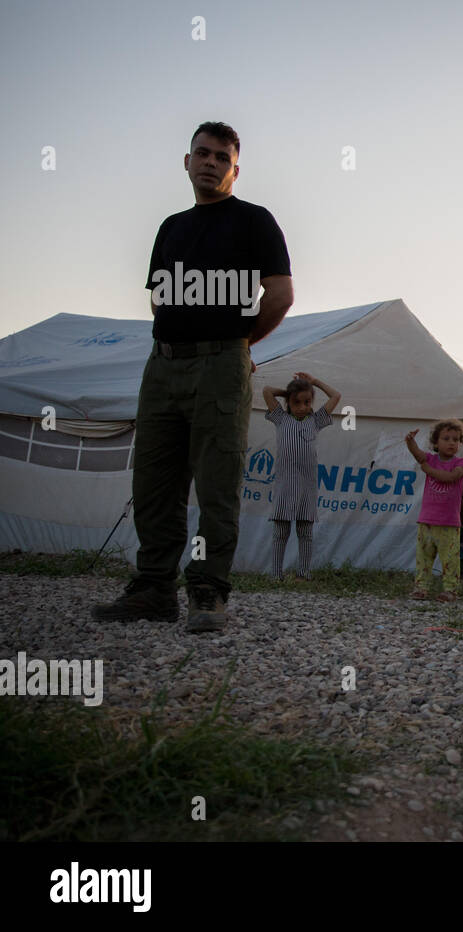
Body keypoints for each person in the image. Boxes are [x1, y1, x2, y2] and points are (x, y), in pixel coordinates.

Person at [93, 121, 292, 633]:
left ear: (235, 169)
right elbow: (160, 295)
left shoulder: (254, 221)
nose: (210, 163)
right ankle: (153, 589)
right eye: (202, 154)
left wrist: (240, 345)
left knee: (217, 482)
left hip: (221, 361)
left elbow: (280, 294)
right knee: (155, 480)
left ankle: (207, 592)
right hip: (162, 363)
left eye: (221, 157)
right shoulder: (171, 227)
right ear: (186, 161)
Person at [262, 372, 341, 581]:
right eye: (297, 402)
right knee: (280, 533)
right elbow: (266, 391)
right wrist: (288, 392)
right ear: (289, 402)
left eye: (307, 402)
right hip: (285, 486)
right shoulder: (281, 418)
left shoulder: (315, 421)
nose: (303, 406)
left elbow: (336, 396)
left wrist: (314, 382)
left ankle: (303, 573)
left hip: (307, 487)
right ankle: (276, 574)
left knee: (305, 533)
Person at [405, 420, 463, 602]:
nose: (451, 443)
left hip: (448, 521)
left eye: (455, 439)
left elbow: (451, 477)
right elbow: (418, 455)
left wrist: (428, 470)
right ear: (435, 443)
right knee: (423, 557)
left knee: (449, 559)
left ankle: (450, 589)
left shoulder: (460, 462)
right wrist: (410, 442)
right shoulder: (431, 459)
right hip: (427, 520)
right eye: (446, 438)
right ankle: (421, 587)